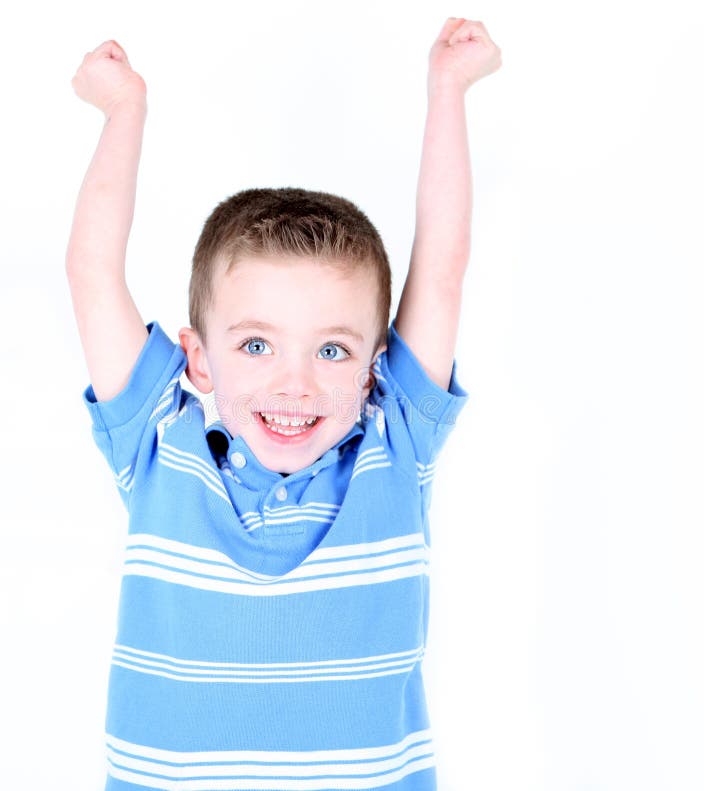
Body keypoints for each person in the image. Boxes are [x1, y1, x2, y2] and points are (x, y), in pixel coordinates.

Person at [67, 17, 501, 791]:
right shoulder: (156, 444)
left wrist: (448, 90)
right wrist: (123, 109)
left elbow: (440, 270)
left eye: (331, 349)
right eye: (257, 345)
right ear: (196, 357)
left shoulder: (394, 444)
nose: (295, 383)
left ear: (375, 366)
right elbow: (92, 273)